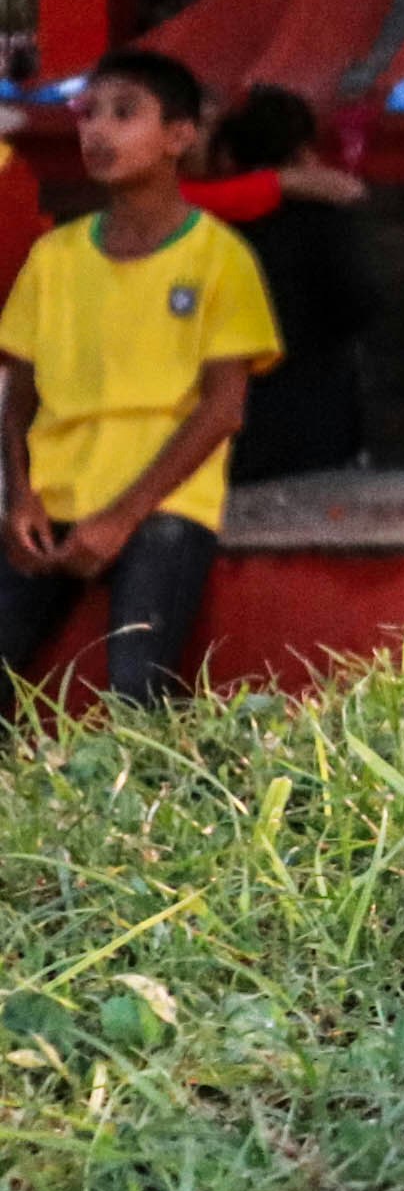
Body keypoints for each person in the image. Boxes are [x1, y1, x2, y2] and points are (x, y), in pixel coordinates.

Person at [0, 48, 282, 706]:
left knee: (137, 690)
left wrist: (121, 517)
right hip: (53, 503)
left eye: (124, 114)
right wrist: (19, 500)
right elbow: (20, 397)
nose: (97, 131)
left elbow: (223, 410)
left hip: (162, 507)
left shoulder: (220, 258)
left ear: (179, 137)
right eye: (89, 114)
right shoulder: (55, 256)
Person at [204, 86, 382, 485]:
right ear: (304, 148)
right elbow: (358, 301)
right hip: (313, 404)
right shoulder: (323, 213)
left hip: (221, 407)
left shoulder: (201, 220)